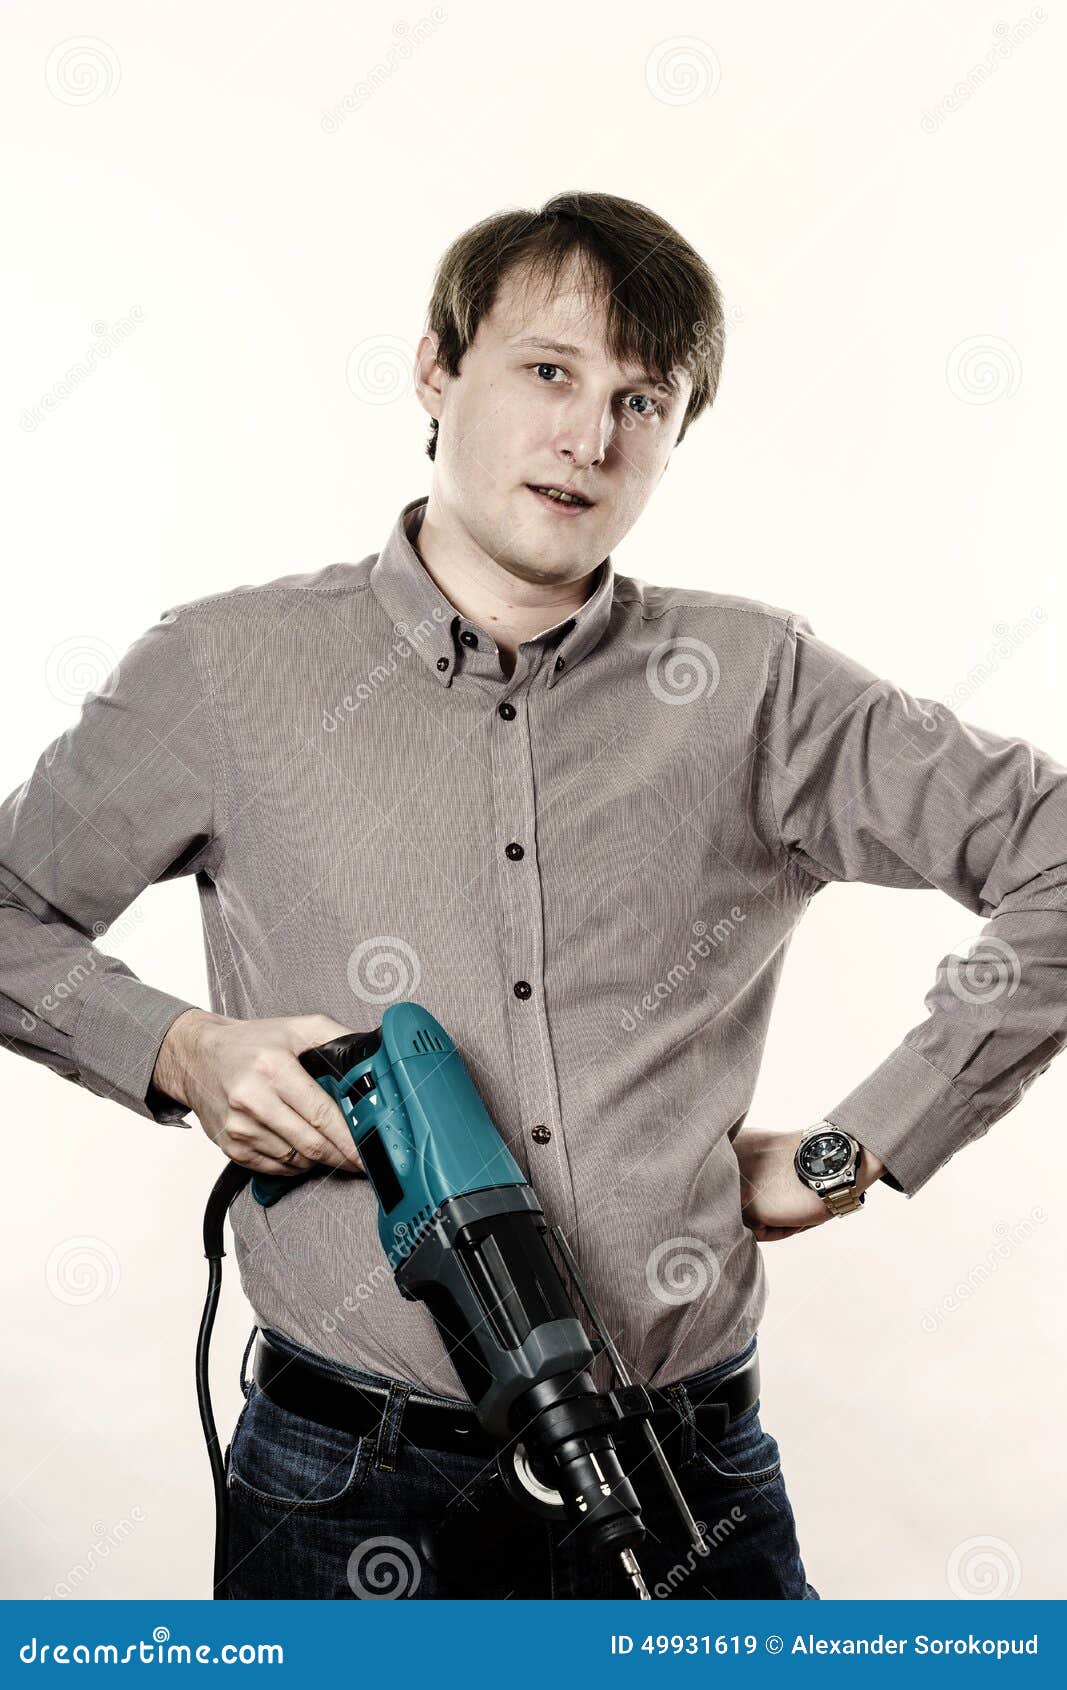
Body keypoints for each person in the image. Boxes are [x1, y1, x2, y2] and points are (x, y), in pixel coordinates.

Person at [2, 192, 1064, 1601]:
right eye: (549, 372)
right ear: (438, 369)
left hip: (687, 1471)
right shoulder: (224, 668)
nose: (590, 437)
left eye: (644, 398)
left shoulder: (757, 686)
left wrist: (860, 1145)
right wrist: (180, 1047)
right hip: (345, 1482)